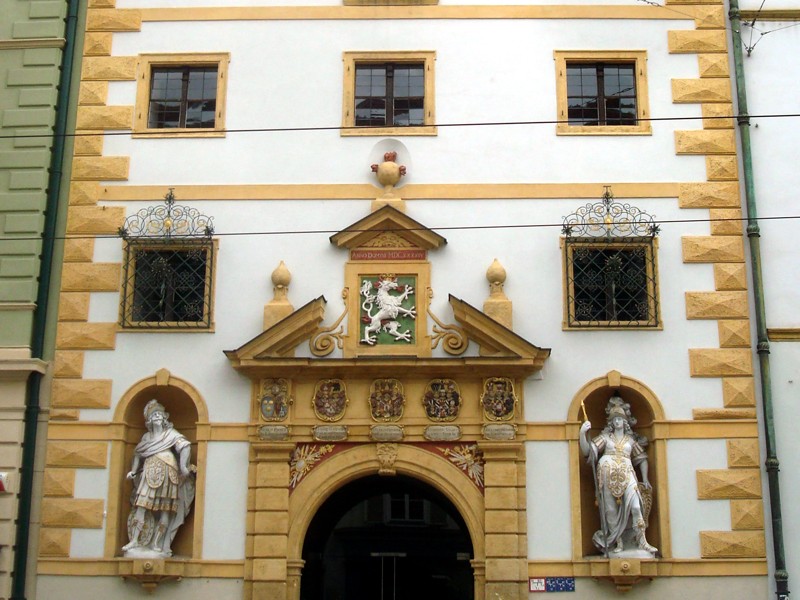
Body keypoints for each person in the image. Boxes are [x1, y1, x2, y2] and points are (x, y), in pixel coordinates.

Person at [579, 396, 657, 556]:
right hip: (607, 476)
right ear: (611, 422)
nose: (617, 422)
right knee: (611, 512)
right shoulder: (605, 438)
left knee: (636, 507)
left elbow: (641, 458)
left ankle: (642, 541)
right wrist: (582, 433)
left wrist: (646, 478)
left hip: (628, 474)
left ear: (625, 421)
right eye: (614, 419)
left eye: (620, 419)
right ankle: (618, 541)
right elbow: (588, 452)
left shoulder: (631, 440)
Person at [122, 399, 195, 556]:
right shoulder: (147, 438)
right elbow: (137, 454)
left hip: (169, 472)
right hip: (149, 473)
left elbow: (185, 446)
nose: (157, 416)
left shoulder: (170, 434)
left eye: (159, 414)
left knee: (165, 510)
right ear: (149, 419)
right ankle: (134, 540)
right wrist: (134, 471)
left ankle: (158, 543)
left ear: (164, 418)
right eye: (154, 414)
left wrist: (183, 466)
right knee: (141, 505)